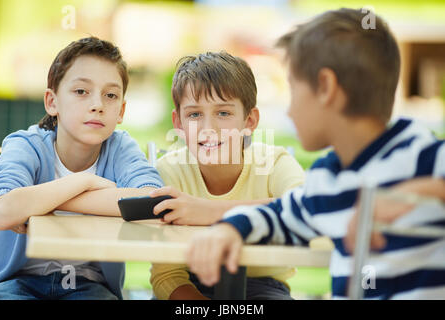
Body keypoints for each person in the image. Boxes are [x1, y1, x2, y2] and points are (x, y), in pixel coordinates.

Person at [186, 8, 445, 299]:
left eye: (293, 90)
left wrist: (422, 190)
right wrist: (229, 230)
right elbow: (278, 216)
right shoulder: (327, 179)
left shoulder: (424, 156)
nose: (289, 110)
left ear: (325, 87)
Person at [0, 37, 163, 300]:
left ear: (121, 110)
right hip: (17, 282)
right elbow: (3, 210)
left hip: (89, 285)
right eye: (81, 91)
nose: (97, 105)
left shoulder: (120, 147)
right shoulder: (25, 144)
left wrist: (36, 201)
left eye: (110, 95)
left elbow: (152, 201)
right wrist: (85, 182)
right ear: (52, 102)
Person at [149, 51, 305, 300]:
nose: (208, 129)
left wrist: (208, 211)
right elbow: (167, 275)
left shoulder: (274, 163)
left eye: (223, 113)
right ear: (178, 123)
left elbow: (304, 206)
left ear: (250, 120)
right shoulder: (169, 171)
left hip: (262, 286)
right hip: (189, 285)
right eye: (194, 114)